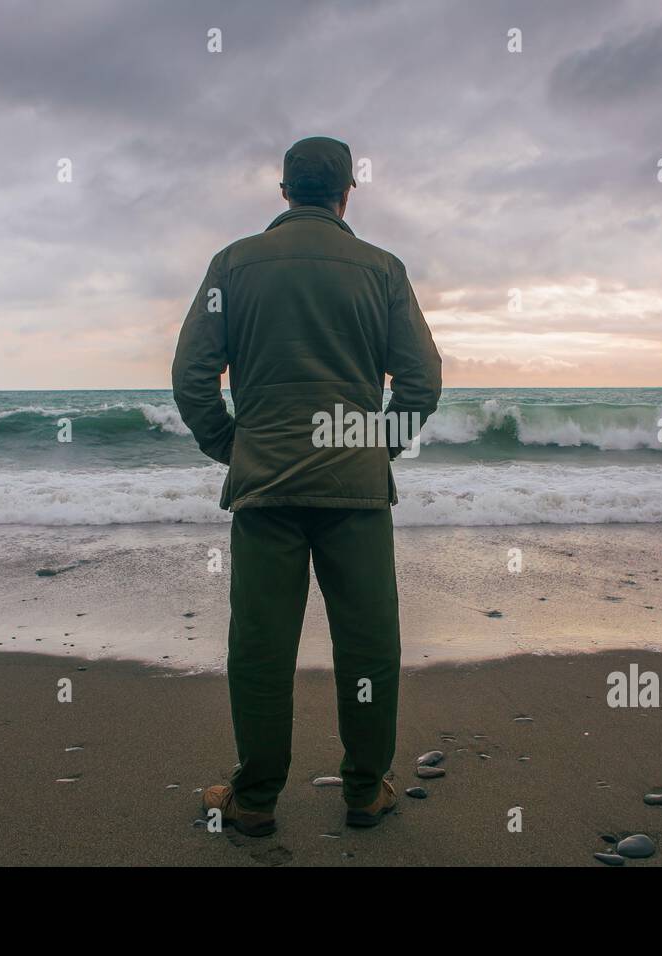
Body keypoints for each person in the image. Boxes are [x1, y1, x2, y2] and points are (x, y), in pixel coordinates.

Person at [172, 136, 442, 836]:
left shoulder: (232, 265)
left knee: (262, 648)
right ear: (347, 192)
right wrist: (374, 444)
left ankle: (256, 798)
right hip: (353, 491)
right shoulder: (381, 269)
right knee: (369, 645)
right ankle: (365, 790)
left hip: (267, 488)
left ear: (284, 190)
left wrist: (231, 445)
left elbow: (192, 375)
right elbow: (422, 381)